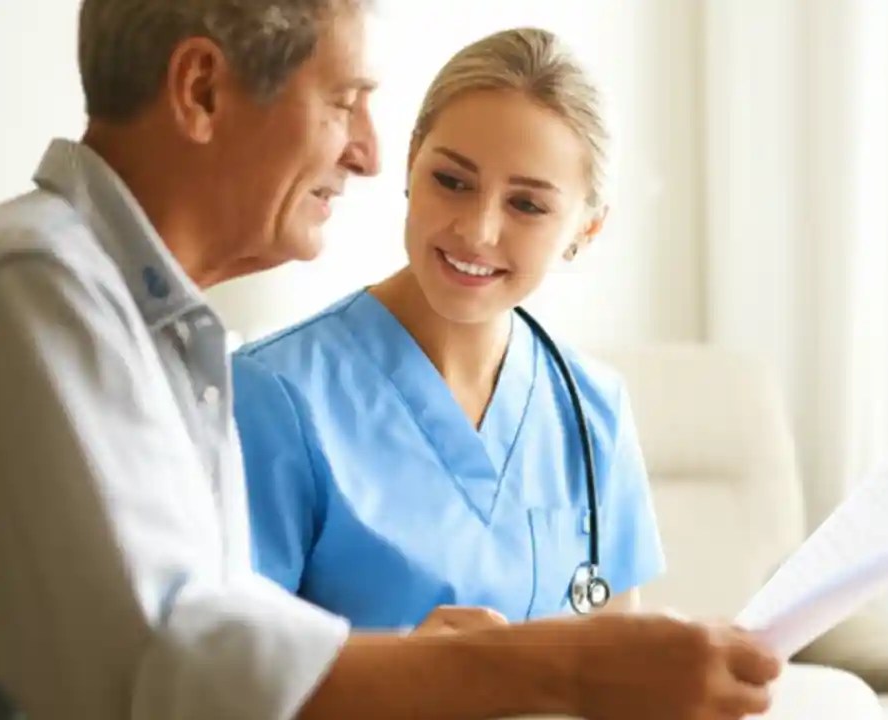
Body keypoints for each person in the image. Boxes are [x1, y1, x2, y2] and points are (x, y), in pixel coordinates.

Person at [0, 1, 781, 719]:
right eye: (342, 102)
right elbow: (169, 673)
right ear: (200, 90)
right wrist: (517, 669)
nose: (366, 154)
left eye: (529, 202)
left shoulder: (156, 334)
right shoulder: (33, 296)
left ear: (586, 227)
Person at [231, 27, 659, 633]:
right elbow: (228, 678)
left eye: (527, 205)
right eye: (452, 182)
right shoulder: (270, 395)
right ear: (411, 163)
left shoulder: (594, 413)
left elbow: (620, 668)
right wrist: (418, 676)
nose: (477, 231)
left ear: (585, 232)